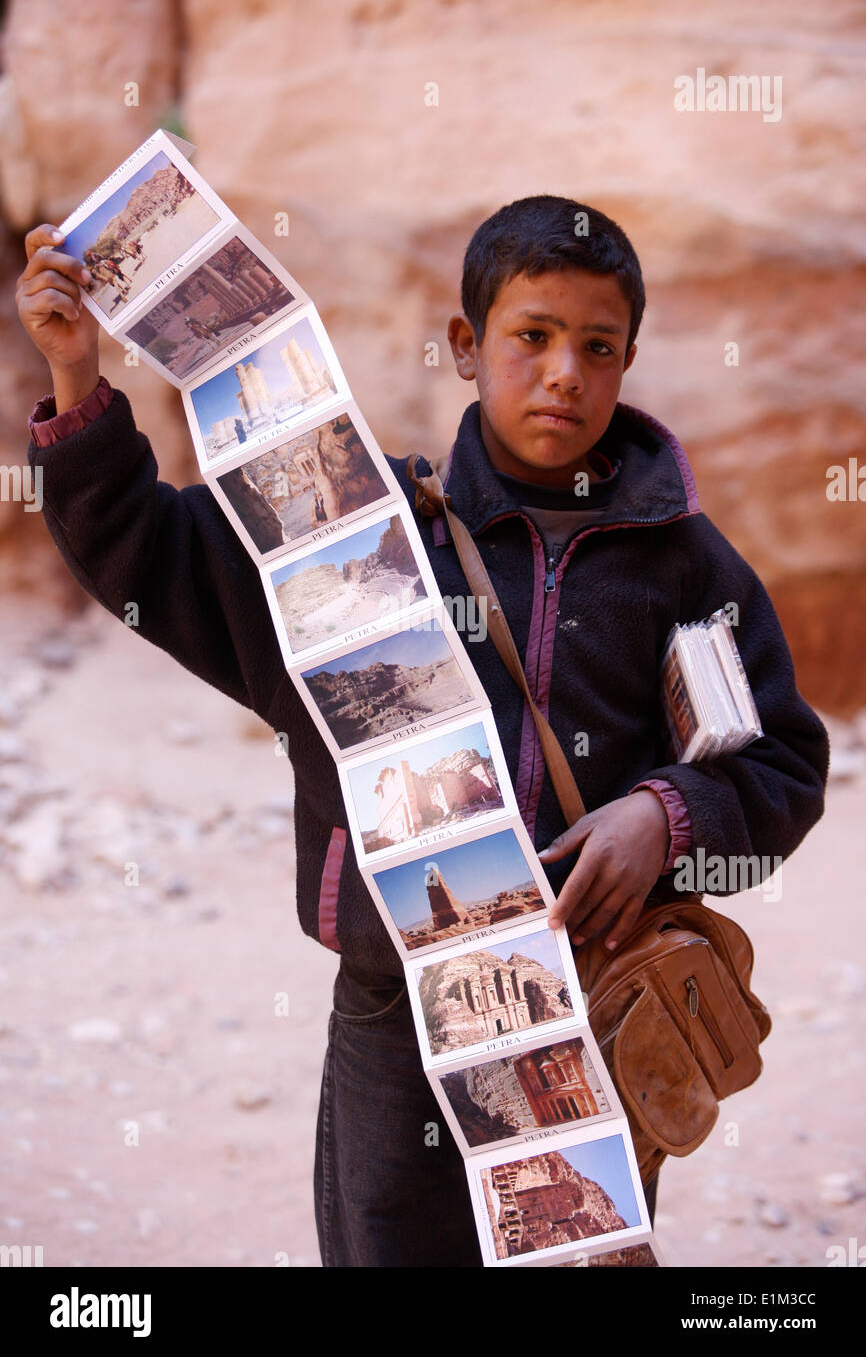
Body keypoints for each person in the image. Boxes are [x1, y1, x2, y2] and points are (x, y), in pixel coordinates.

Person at [16, 198, 829, 1267]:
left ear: (628, 360)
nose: (561, 374)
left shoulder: (684, 564)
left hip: (584, 1014)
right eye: (529, 337)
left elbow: (783, 761)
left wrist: (662, 818)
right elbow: (154, 559)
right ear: (464, 347)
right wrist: (79, 379)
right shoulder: (365, 534)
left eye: (596, 347)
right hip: (394, 1011)